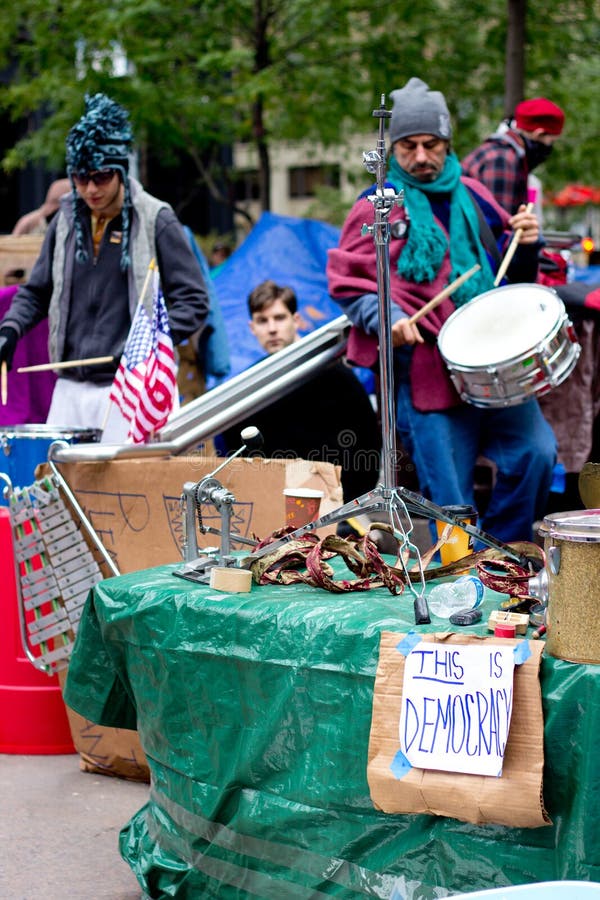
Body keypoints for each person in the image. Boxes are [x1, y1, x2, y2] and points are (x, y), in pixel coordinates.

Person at [327, 77, 556, 543]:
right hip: (428, 368)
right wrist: (386, 318)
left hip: (496, 365)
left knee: (536, 454)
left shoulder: (473, 195)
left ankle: (506, 552)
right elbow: (350, 283)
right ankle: (466, 574)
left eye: (431, 144)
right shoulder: (377, 205)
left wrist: (528, 244)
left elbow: (513, 271)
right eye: (408, 146)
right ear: (394, 150)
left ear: (447, 143)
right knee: (449, 498)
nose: (421, 156)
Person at [0, 93, 209, 441]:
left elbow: (194, 301)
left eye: (101, 177)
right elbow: (36, 292)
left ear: (120, 171)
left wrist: (148, 345)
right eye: (81, 178)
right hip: (68, 389)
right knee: (59, 494)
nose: (91, 189)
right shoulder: (64, 220)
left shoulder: (157, 219)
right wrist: (9, 330)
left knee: (131, 494)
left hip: (132, 389)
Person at [219, 279, 381, 507]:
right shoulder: (250, 384)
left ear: (296, 320)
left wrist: (349, 502)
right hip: (275, 501)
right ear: (252, 328)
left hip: (334, 501)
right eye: (262, 321)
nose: (272, 328)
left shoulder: (333, 374)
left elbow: (366, 441)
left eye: (279, 317)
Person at [461, 96, 565, 216]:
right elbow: (499, 226)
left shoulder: (504, 154)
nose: (550, 147)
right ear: (539, 134)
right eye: (551, 141)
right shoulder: (502, 160)